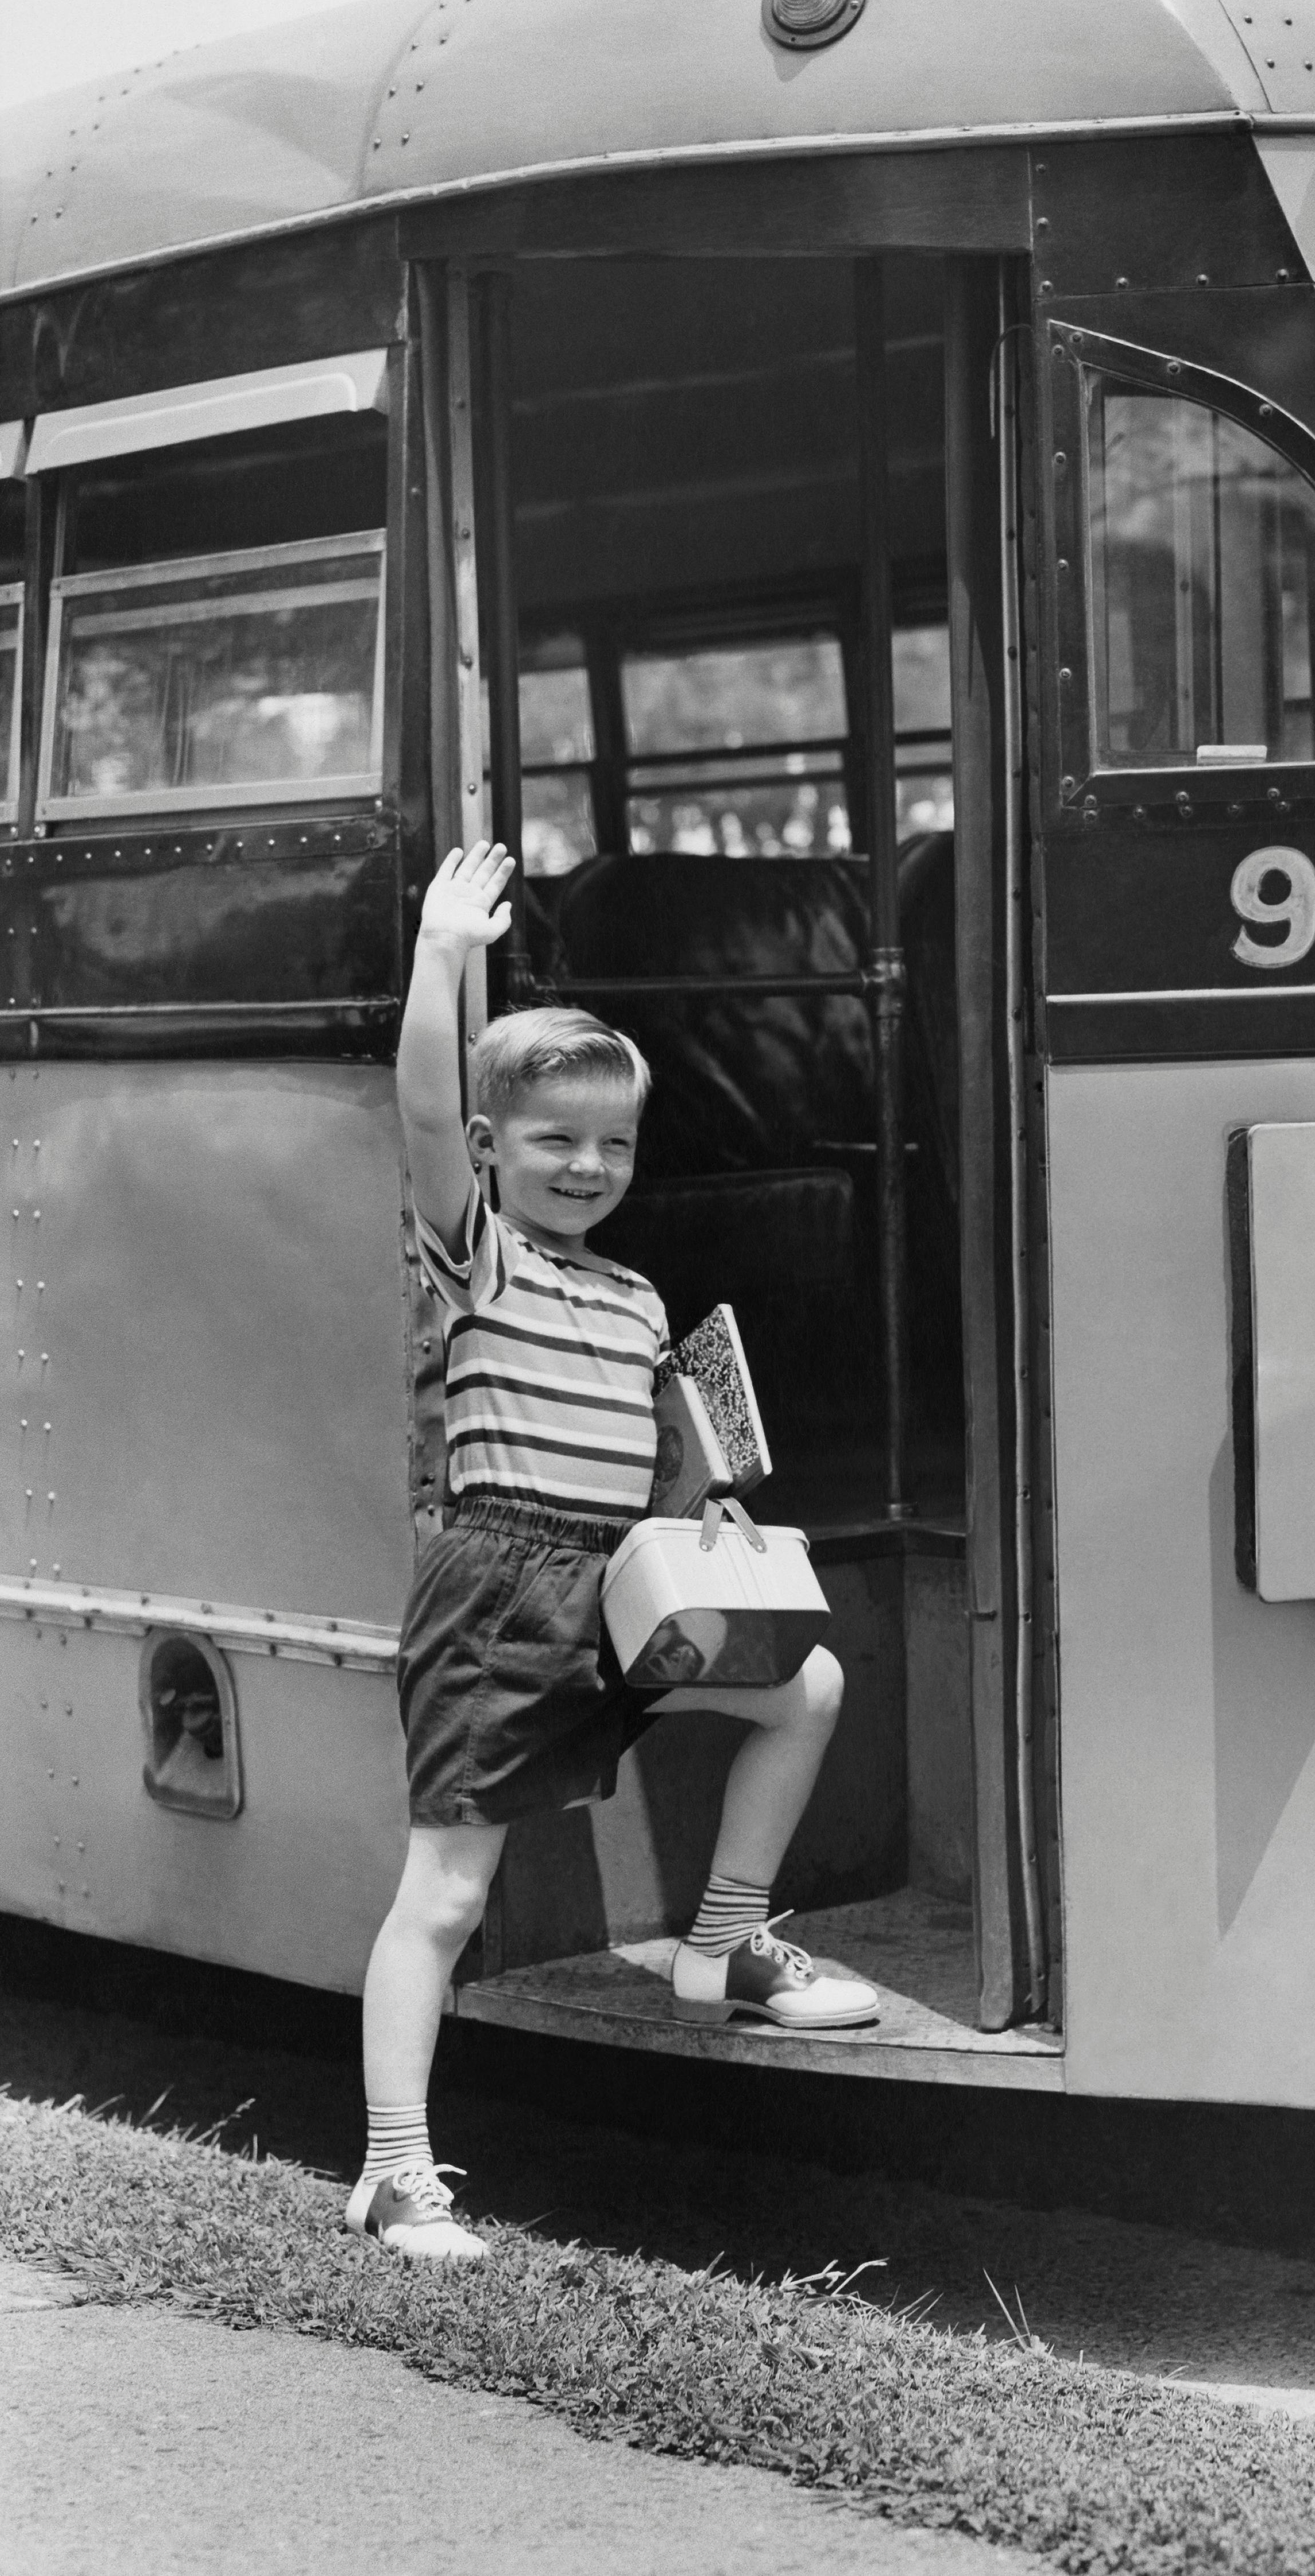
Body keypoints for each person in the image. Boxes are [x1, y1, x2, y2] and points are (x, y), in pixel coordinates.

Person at [349, 840, 876, 2265]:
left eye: (615, 1145)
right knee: (447, 1890)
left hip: (620, 1581)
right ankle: (398, 2172)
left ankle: (726, 1938)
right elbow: (418, 1107)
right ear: (492, 1152)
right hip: (499, 1589)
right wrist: (443, 953)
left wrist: (712, 1508)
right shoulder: (476, 1253)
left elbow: (673, 1455)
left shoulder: (643, 1295)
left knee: (805, 1687)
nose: (587, 1167)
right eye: (551, 1141)